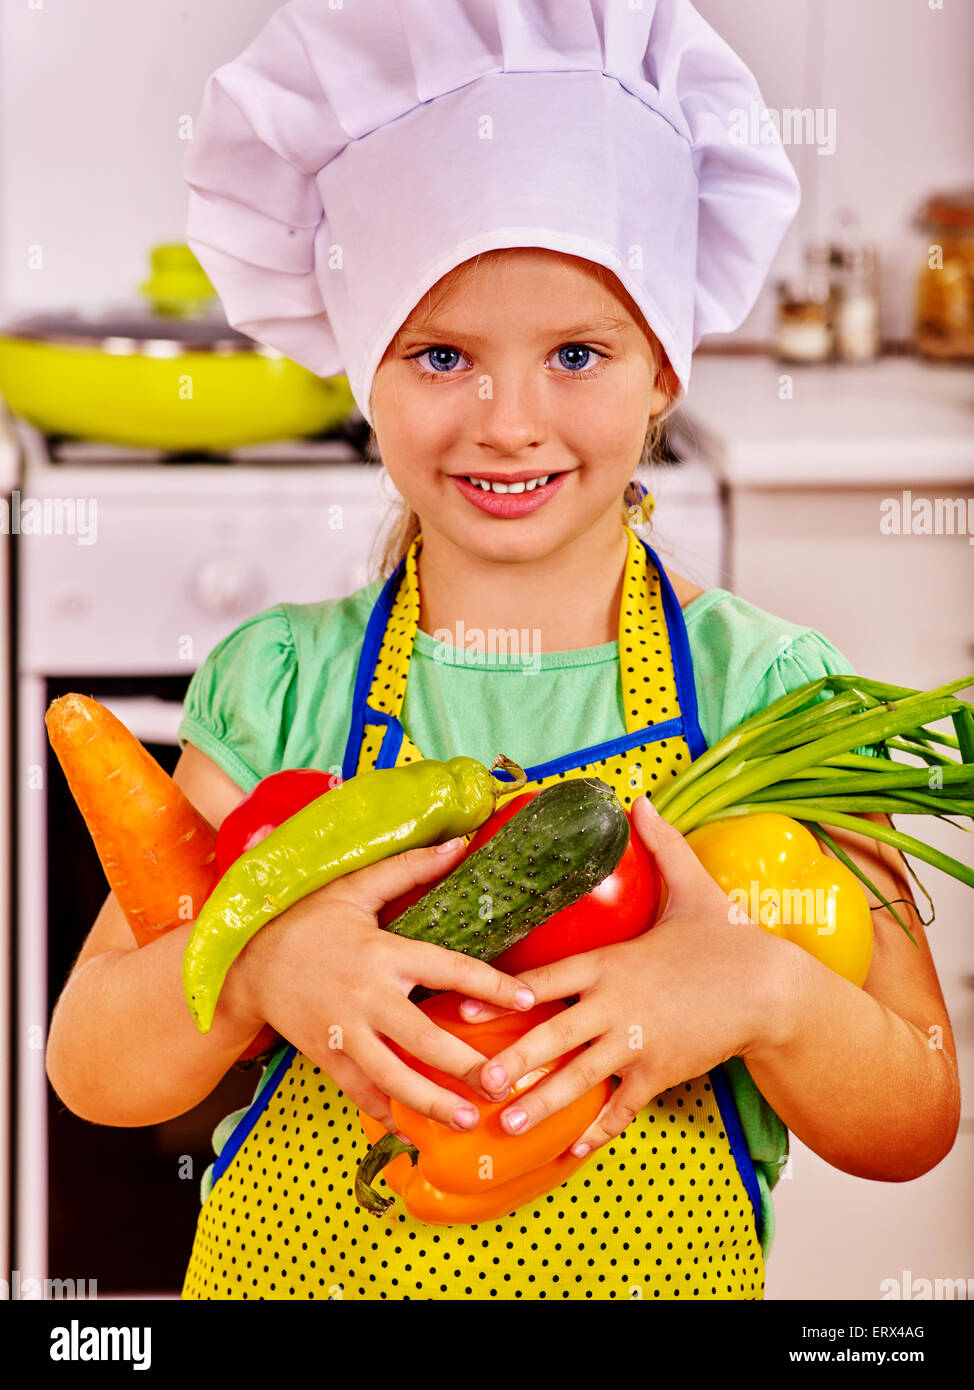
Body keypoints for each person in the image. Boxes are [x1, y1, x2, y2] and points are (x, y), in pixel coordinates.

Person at [45, 0, 958, 1301]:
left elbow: (914, 1108)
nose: (507, 420)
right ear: (365, 369)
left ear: (663, 368)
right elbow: (91, 1061)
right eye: (440, 354)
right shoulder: (287, 688)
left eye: (576, 352)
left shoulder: (767, 699)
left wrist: (765, 990)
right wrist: (255, 963)